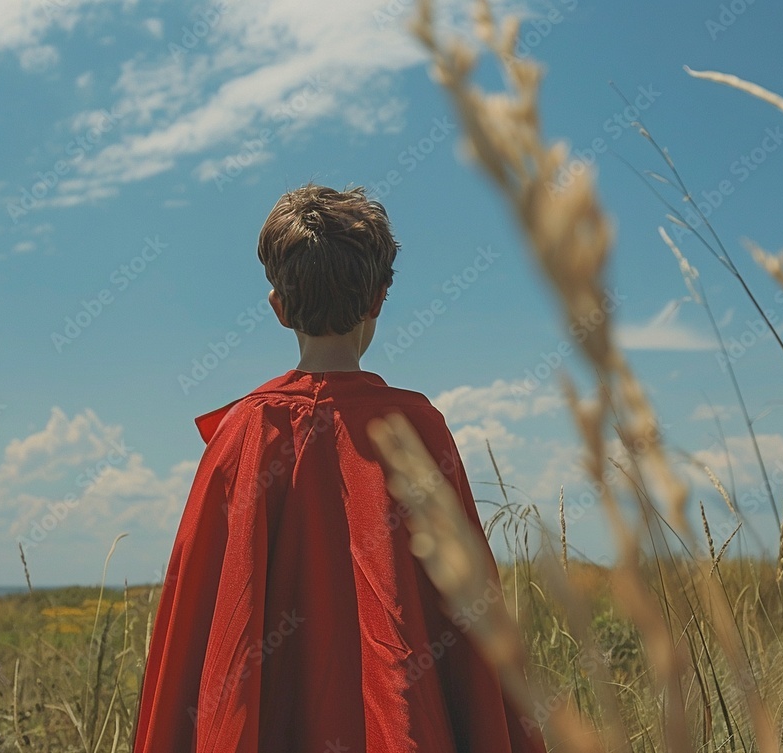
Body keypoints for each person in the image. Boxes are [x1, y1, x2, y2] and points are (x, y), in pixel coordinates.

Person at [133, 184, 544, 753]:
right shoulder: (416, 431)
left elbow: (202, 624)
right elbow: (469, 620)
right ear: (379, 299)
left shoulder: (243, 435)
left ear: (278, 308)